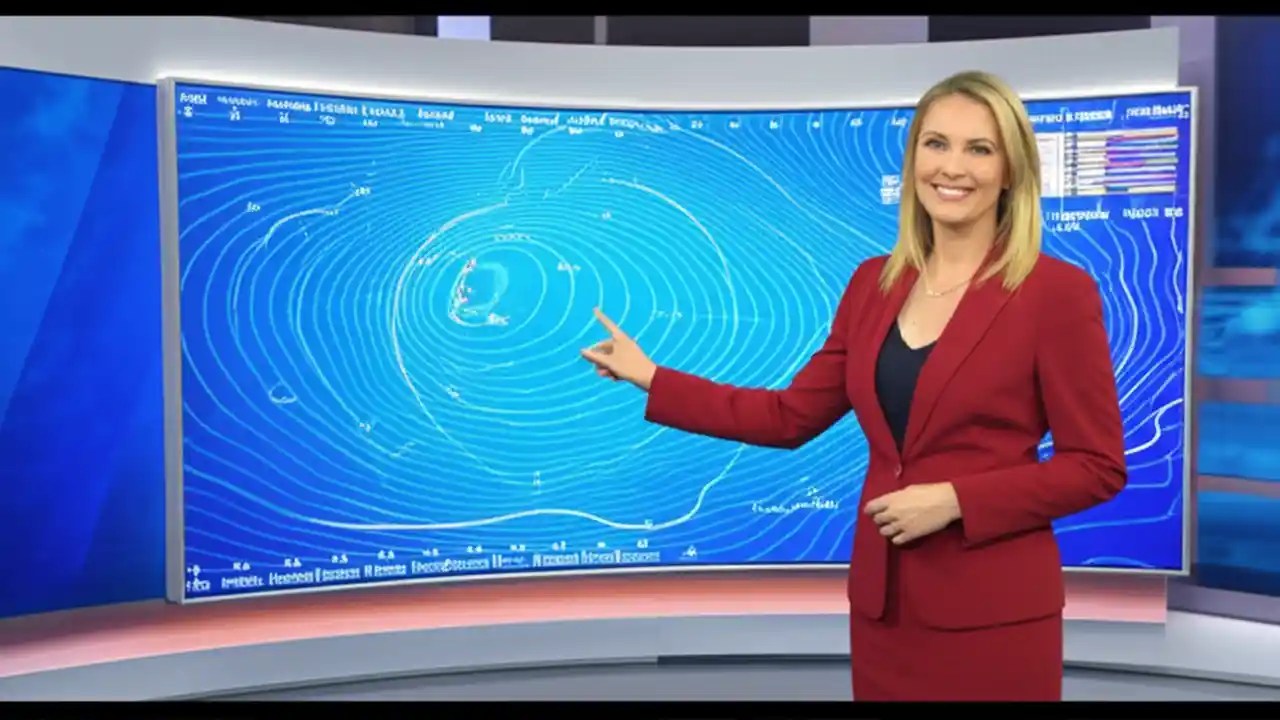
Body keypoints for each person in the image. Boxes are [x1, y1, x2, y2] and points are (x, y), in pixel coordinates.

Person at [579, 69, 1127, 701]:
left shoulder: (1054, 294)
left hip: (993, 618)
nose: (952, 167)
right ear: (913, 159)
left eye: (979, 149)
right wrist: (653, 378)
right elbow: (788, 417)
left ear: (1010, 172)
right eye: (936, 144)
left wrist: (956, 500)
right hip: (884, 613)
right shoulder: (873, 284)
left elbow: (1097, 466)